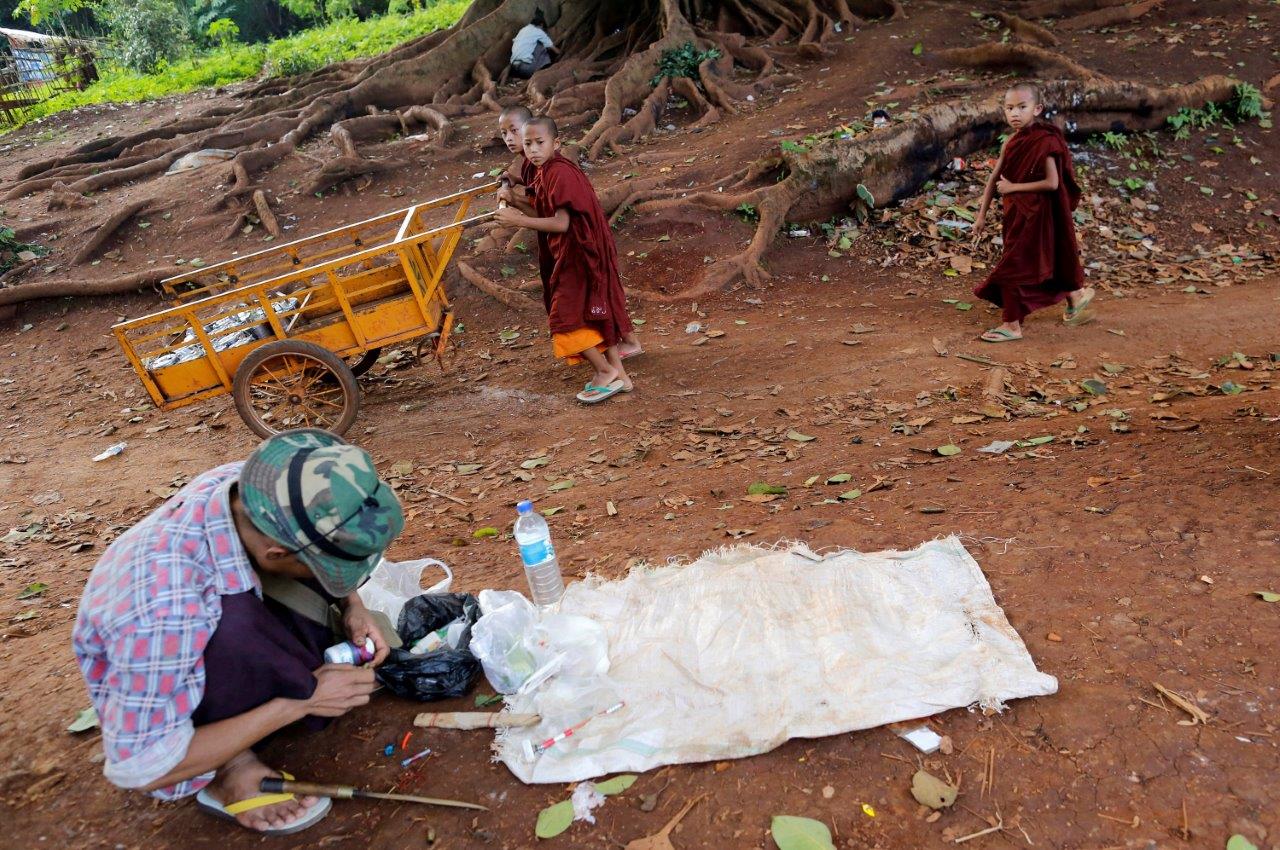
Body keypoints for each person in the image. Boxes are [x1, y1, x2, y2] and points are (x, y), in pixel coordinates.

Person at [72, 429, 405, 834]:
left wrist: (353, 605)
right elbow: (141, 767)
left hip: (205, 607)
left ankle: (277, 683)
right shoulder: (165, 610)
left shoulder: (261, 488)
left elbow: (316, 539)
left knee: (267, 618)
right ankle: (230, 767)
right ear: (276, 554)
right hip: (162, 663)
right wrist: (302, 701)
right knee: (233, 631)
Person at [494, 116, 637, 402]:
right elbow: (542, 210)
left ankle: (604, 372)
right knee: (591, 314)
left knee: (565, 317)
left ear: (556, 143)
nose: (533, 149)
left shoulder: (559, 173)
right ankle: (621, 376)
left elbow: (560, 223)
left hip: (580, 254)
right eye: (528, 144)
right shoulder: (543, 171)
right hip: (573, 253)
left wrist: (515, 220)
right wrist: (515, 202)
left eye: (539, 143)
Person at [971, 83, 1096, 342]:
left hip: (1039, 216)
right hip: (1017, 214)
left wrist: (1013, 187)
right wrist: (981, 215)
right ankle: (1075, 299)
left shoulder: (1045, 141)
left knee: (1017, 265)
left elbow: (1052, 183)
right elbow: (994, 179)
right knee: (1036, 262)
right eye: (1009, 108)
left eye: (1021, 107)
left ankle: (1012, 325)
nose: (1014, 113)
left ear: (1037, 109)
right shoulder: (1011, 142)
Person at [509, 10, 557, 79]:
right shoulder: (539, 32)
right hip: (528, 69)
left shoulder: (523, 30)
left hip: (515, 68)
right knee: (541, 47)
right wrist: (561, 52)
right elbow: (553, 48)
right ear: (541, 25)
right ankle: (544, 69)